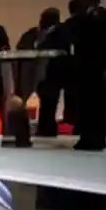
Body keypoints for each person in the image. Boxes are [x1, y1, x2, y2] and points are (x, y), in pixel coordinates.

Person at [70, 0, 106, 151]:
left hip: (93, 66)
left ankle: (95, 138)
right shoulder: (89, 16)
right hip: (87, 66)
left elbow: (97, 42)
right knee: (87, 103)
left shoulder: (99, 16)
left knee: (94, 103)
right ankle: (88, 136)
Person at [33, 7, 71, 137]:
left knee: (50, 100)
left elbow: (44, 47)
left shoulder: (59, 32)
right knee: (46, 99)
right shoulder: (42, 33)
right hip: (46, 70)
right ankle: (45, 126)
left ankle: (48, 128)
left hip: (55, 70)